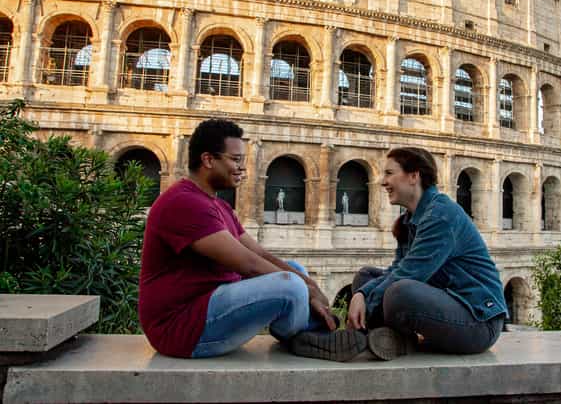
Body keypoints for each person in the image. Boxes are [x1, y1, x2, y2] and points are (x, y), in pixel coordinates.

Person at [138, 118, 366, 360]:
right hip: (182, 330)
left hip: (209, 307)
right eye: (236, 159)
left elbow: (260, 254)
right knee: (290, 284)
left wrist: (311, 285)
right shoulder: (183, 202)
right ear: (208, 160)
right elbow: (249, 264)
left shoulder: (218, 206)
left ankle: (309, 336)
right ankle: (308, 336)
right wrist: (307, 291)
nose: (242, 168)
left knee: (295, 270)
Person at [347, 147, 508, 360]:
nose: (383, 182)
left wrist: (365, 301)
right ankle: (384, 340)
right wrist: (362, 293)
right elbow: (398, 268)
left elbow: (410, 273)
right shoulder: (410, 219)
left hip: (478, 320)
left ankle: (372, 339)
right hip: (449, 304)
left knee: (399, 292)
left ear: (414, 176)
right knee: (366, 276)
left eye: (389, 173)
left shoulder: (441, 215)